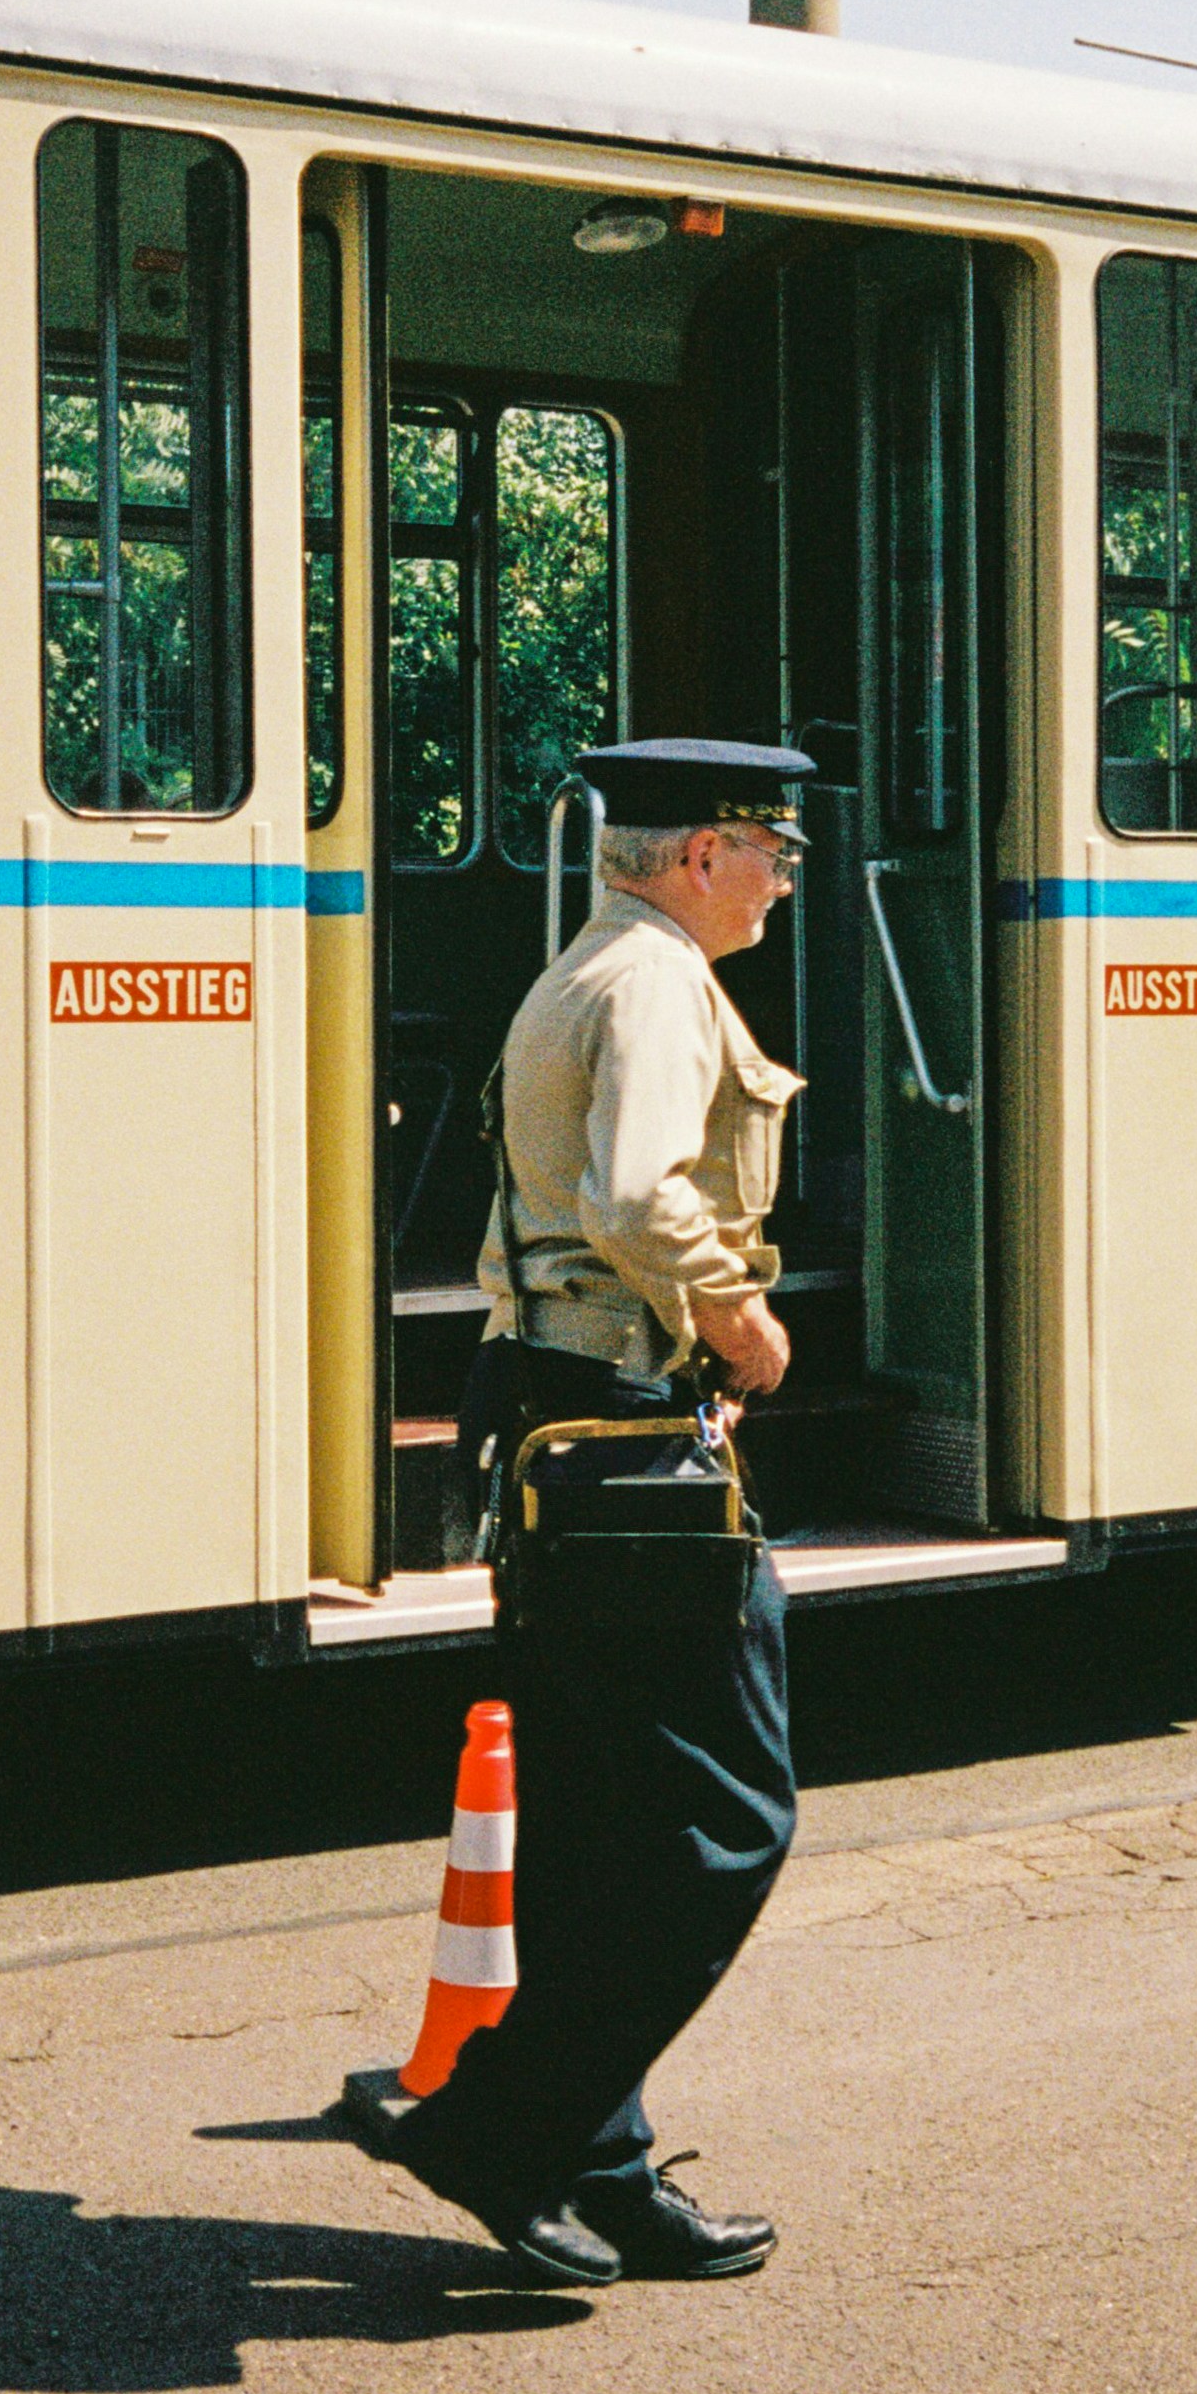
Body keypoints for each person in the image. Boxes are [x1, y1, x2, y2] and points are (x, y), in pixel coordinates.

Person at [386, 737, 813, 2286]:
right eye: (776, 843)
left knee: (600, 1817)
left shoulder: (593, 962)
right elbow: (640, 1194)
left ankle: (600, 2161)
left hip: (554, 1407)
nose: (786, 871)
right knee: (727, 1816)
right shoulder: (652, 982)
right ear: (703, 850)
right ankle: (502, 2126)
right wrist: (743, 1321)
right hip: (622, 1421)